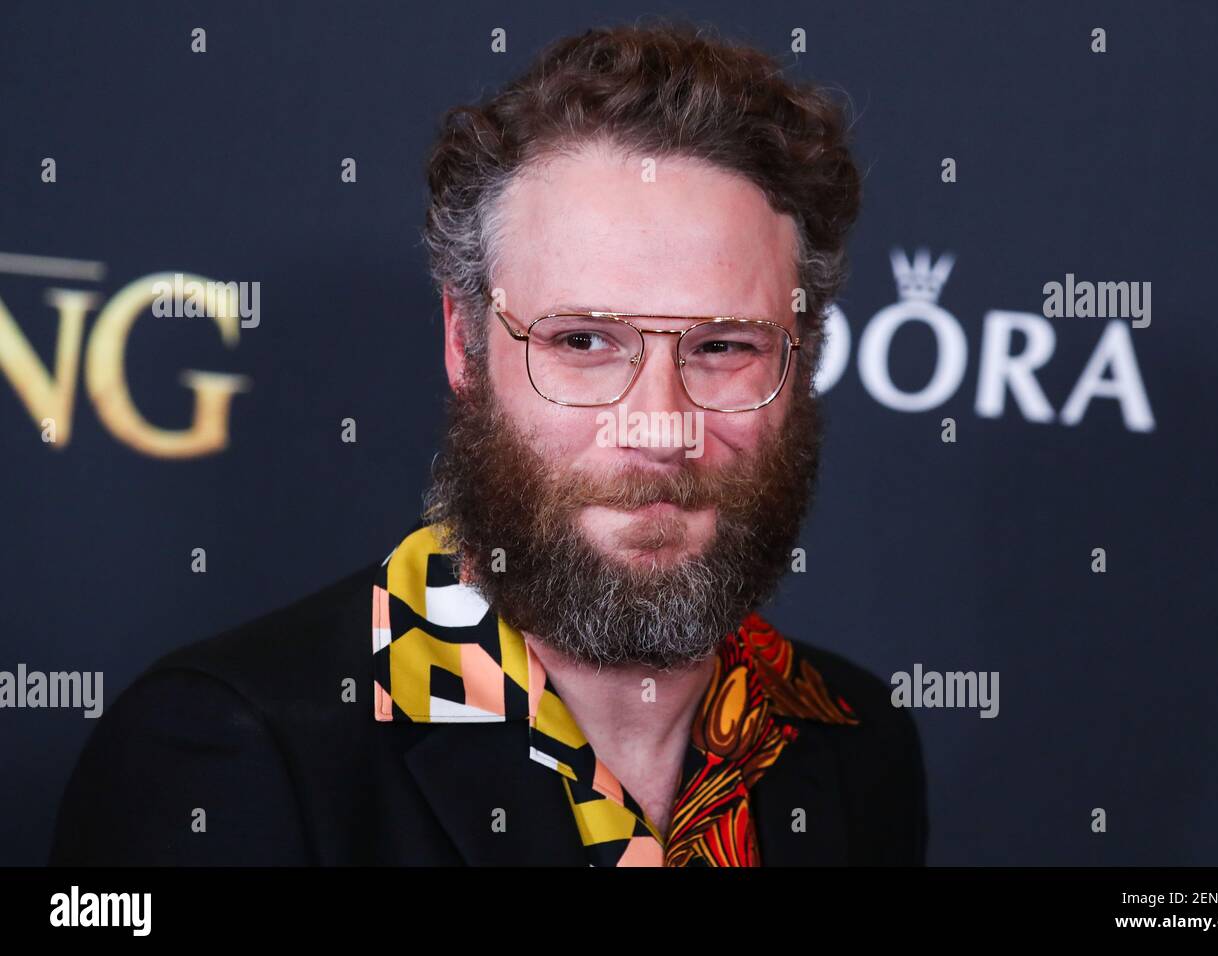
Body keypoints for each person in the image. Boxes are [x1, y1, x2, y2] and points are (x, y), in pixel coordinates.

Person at [50, 20, 927, 867]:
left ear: (801, 359)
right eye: (582, 342)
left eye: (724, 347)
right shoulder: (232, 753)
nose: (660, 426)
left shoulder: (853, 740)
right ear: (465, 346)